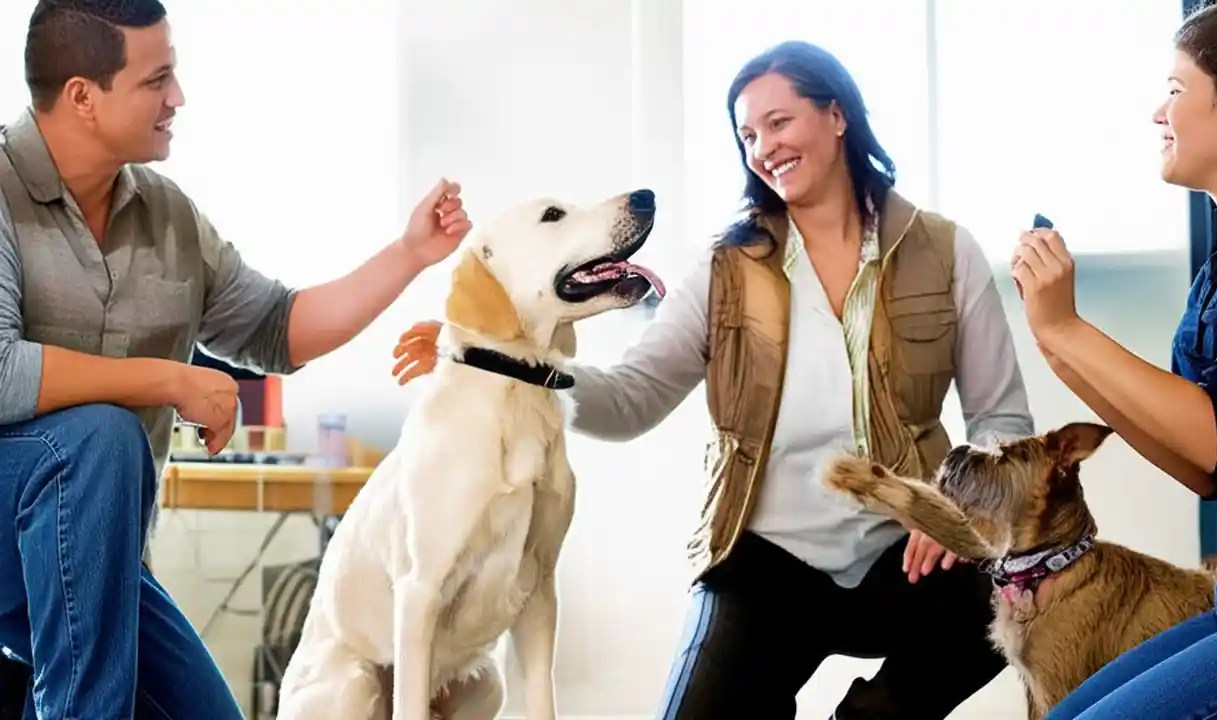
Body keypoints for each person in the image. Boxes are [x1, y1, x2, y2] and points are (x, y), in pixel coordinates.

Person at [392, 40, 1033, 719]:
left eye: (779, 122)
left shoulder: (946, 250)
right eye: (748, 134)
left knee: (1022, 593)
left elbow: (1003, 421)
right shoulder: (725, 269)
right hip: (766, 563)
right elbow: (630, 398)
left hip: (904, 551)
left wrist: (953, 503)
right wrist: (505, 361)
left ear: (837, 114)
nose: (764, 146)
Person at [0, 1, 470, 718]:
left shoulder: (168, 217)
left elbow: (278, 328)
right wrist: (169, 378)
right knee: (98, 435)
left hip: (94, 561)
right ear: (82, 97)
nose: (177, 98)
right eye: (156, 80)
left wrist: (410, 254)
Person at [1011, 1, 1217, 718]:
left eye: (1175, 89)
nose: (1157, 114)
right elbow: (1207, 472)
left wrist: (1068, 331)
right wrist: (1055, 342)